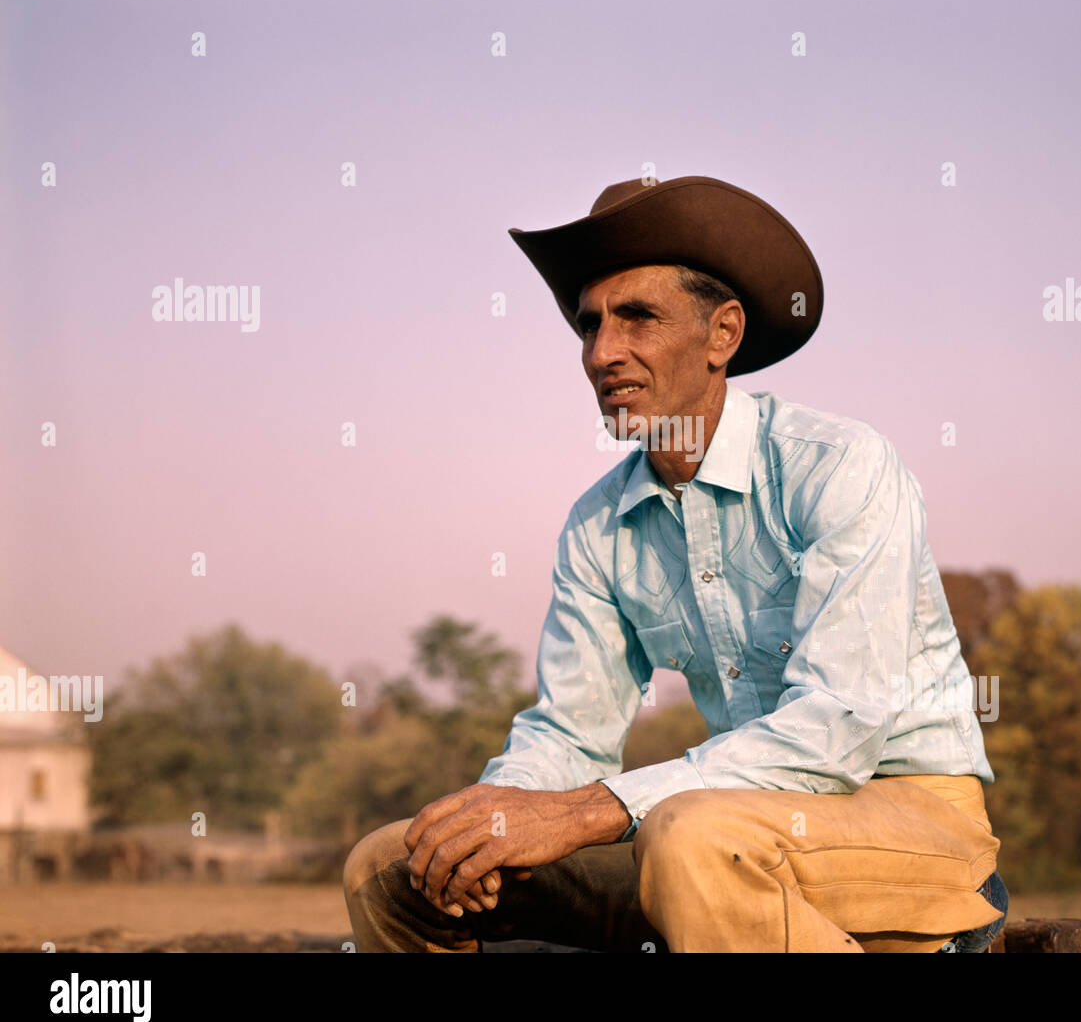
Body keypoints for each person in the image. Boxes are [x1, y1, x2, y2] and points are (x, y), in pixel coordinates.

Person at [343, 175, 1008, 953]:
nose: (602, 352)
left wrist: (583, 813)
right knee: (394, 863)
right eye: (588, 325)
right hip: (722, 837)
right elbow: (569, 731)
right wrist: (497, 817)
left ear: (722, 335)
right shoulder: (599, 526)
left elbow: (837, 729)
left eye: (637, 318)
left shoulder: (839, 467)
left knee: (688, 835)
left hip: (906, 820)